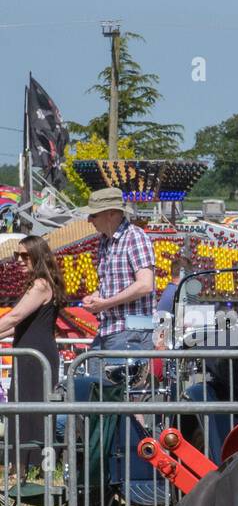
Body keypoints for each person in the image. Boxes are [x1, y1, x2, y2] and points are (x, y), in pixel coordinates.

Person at [0, 236, 63, 479]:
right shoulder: (37, 284)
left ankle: (38, 467)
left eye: (25, 255)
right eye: (17, 255)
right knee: (21, 408)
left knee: (34, 411)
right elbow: (15, 325)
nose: (19, 260)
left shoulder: (41, 285)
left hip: (36, 356)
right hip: (28, 353)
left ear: (39, 256)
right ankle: (22, 465)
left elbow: (13, 318)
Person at [79, 187, 156, 364]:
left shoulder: (135, 236)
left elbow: (145, 285)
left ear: (112, 213)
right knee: (94, 382)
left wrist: (105, 303)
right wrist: (96, 297)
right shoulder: (105, 241)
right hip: (111, 328)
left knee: (113, 387)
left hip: (131, 330)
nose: (89, 220)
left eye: (94, 215)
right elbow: (110, 285)